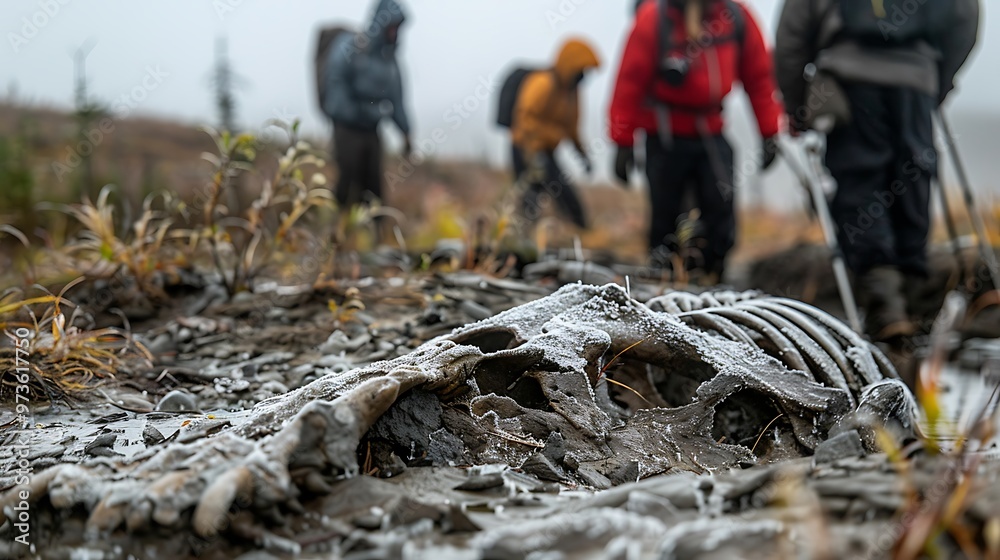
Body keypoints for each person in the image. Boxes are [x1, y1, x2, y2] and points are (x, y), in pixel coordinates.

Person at [775, 0, 980, 341]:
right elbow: (965, 16)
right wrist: (937, 80)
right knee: (912, 181)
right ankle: (909, 304)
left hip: (849, 80)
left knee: (860, 183)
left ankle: (884, 304)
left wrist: (798, 103)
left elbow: (792, 33)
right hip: (916, 82)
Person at [609, 0, 782, 282]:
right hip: (664, 134)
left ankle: (713, 278)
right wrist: (622, 141)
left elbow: (759, 77)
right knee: (667, 216)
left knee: (720, 208)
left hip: (712, 132)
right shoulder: (654, 18)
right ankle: (665, 282)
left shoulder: (736, 17)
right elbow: (629, 82)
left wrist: (769, 131)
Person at [320, 0, 412, 210]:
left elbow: (397, 99)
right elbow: (335, 85)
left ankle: (375, 236)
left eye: (398, 28)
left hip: (372, 131)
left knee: (374, 187)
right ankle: (341, 233)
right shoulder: (350, 47)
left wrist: (406, 133)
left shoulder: (390, 61)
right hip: (347, 130)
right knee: (348, 181)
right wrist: (358, 112)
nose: (395, 32)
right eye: (392, 26)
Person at [511, 38, 601, 230]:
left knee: (562, 191)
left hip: (546, 151)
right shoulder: (543, 83)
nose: (583, 77)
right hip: (524, 148)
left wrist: (583, 155)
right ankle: (524, 239)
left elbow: (572, 128)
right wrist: (535, 153)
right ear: (571, 66)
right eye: (581, 71)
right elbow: (525, 118)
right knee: (531, 196)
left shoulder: (572, 93)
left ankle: (580, 230)